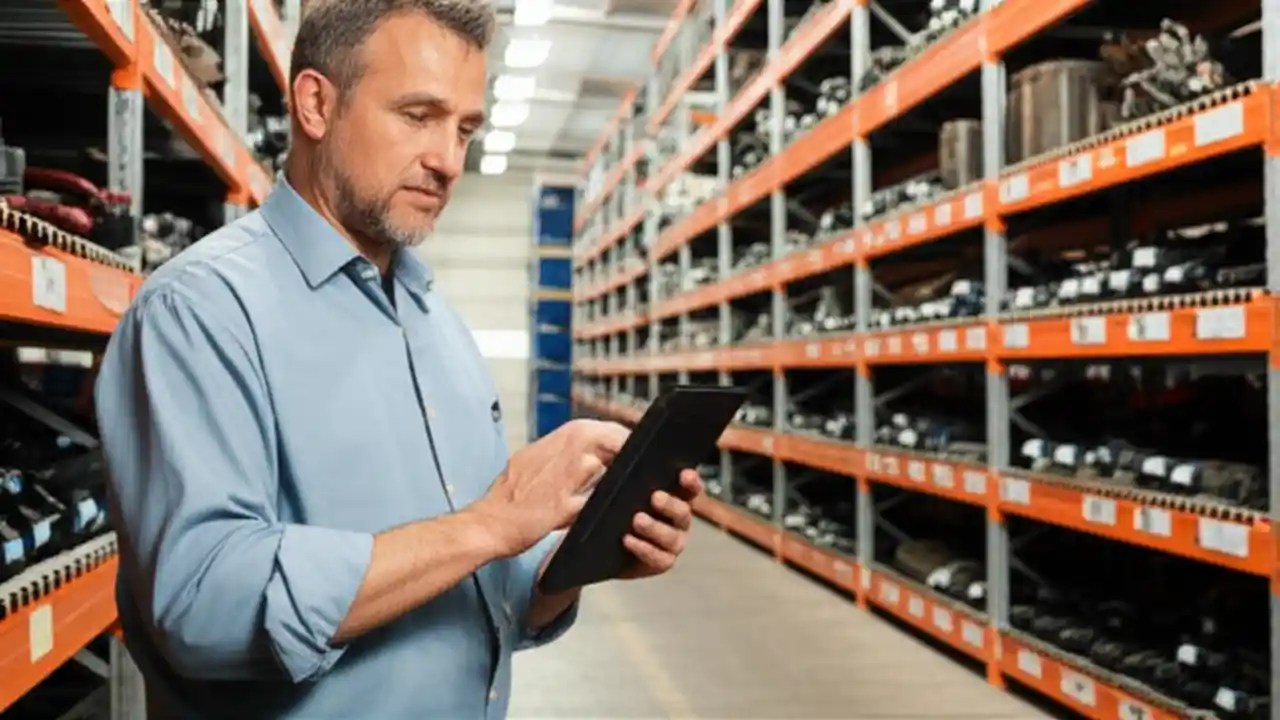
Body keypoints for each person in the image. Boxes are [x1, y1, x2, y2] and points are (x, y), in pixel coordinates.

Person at [93, 1, 703, 717]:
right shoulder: (201, 312)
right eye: (419, 115)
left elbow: (482, 596)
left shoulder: (437, 325)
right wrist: (490, 522)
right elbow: (200, 609)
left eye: (464, 129)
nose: (448, 160)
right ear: (317, 104)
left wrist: (574, 564)